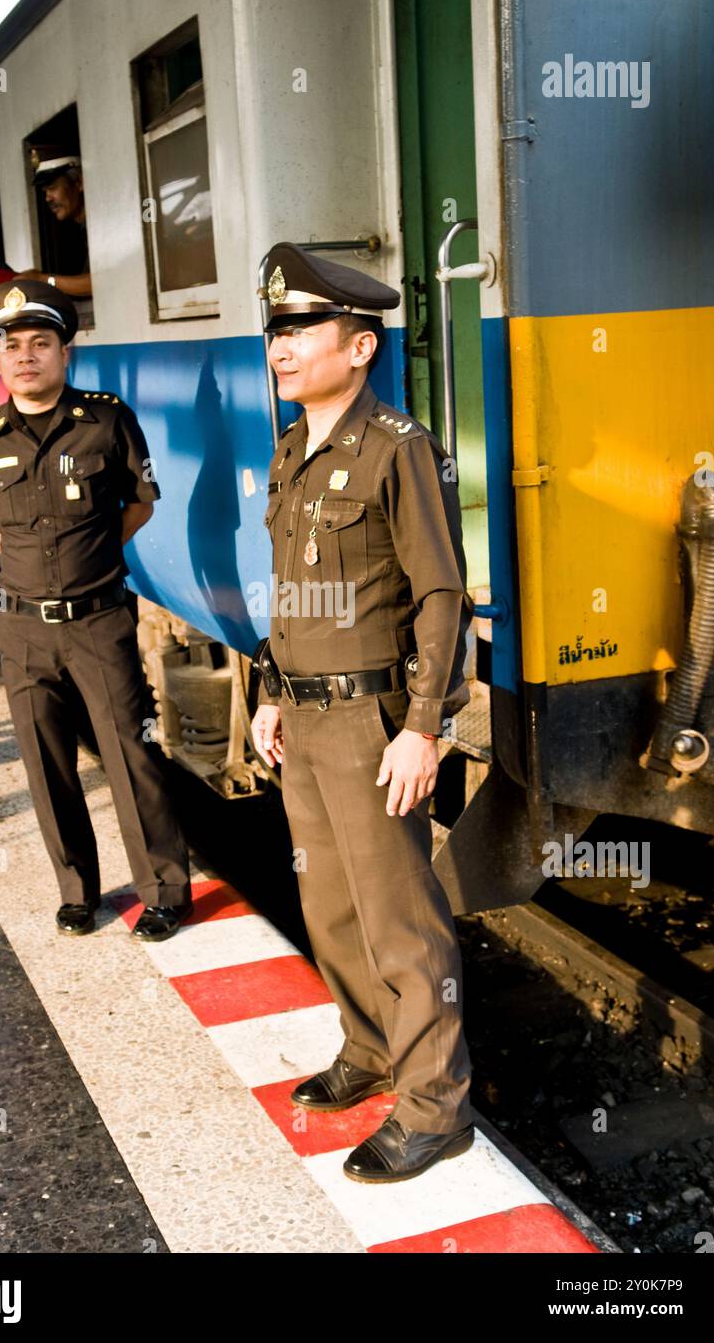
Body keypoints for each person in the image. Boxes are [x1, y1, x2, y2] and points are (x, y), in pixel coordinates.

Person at [250, 242, 475, 1184]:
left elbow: (439, 592)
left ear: (359, 345)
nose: (281, 345)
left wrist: (425, 725)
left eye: (301, 328)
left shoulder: (397, 448)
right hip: (303, 719)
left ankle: (435, 1108)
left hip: (372, 723)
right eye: (276, 329)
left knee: (400, 921)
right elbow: (291, 588)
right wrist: (266, 694)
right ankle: (371, 1048)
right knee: (332, 908)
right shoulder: (294, 447)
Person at [0, 277, 191, 940]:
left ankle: (164, 892)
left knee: (132, 756)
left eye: (41, 343)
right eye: (13, 347)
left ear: (65, 353)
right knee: (45, 761)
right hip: (22, 629)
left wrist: (89, 561)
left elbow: (139, 504)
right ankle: (76, 891)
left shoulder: (108, 419)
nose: (26, 356)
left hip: (98, 621)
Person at [17, 148, 92, 297]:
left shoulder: (102, 226)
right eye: (45, 191)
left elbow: (97, 282)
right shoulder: (81, 230)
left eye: (52, 188)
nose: (48, 198)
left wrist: (43, 279)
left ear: (79, 182)